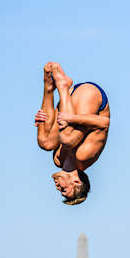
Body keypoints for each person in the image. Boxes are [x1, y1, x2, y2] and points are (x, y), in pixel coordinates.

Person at [34, 62, 110, 205]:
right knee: (68, 139)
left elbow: (56, 124)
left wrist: (43, 121)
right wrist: (72, 118)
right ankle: (63, 86)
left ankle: (49, 85)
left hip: (69, 100)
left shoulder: (58, 159)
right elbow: (104, 123)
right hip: (90, 96)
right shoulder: (84, 156)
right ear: (76, 181)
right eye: (64, 190)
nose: (58, 188)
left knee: (45, 142)